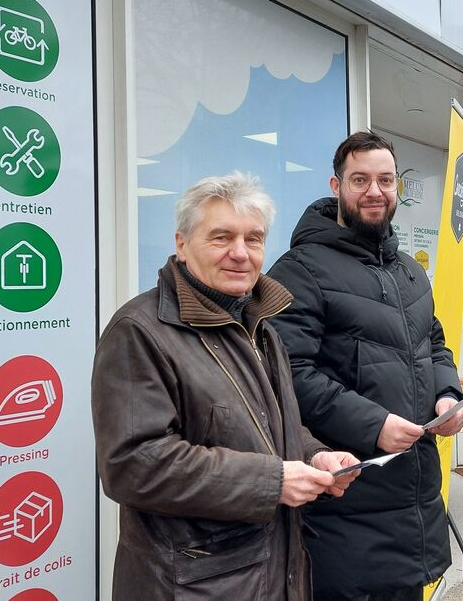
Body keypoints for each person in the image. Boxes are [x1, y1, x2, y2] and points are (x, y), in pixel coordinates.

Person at [91, 173, 360, 600]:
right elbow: (133, 465)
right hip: (191, 586)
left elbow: (268, 428)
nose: (240, 253)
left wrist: (315, 455)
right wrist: (272, 481)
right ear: (182, 243)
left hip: (270, 572)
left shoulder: (260, 326)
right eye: (221, 238)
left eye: (253, 239)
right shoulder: (140, 331)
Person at [267, 131, 463, 600]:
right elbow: (285, 373)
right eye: (360, 180)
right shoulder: (300, 269)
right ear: (336, 186)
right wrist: (373, 424)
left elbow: (433, 342)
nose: (374, 191)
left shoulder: (409, 271)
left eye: (385, 180)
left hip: (412, 506)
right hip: (342, 511)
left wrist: (448, 395)